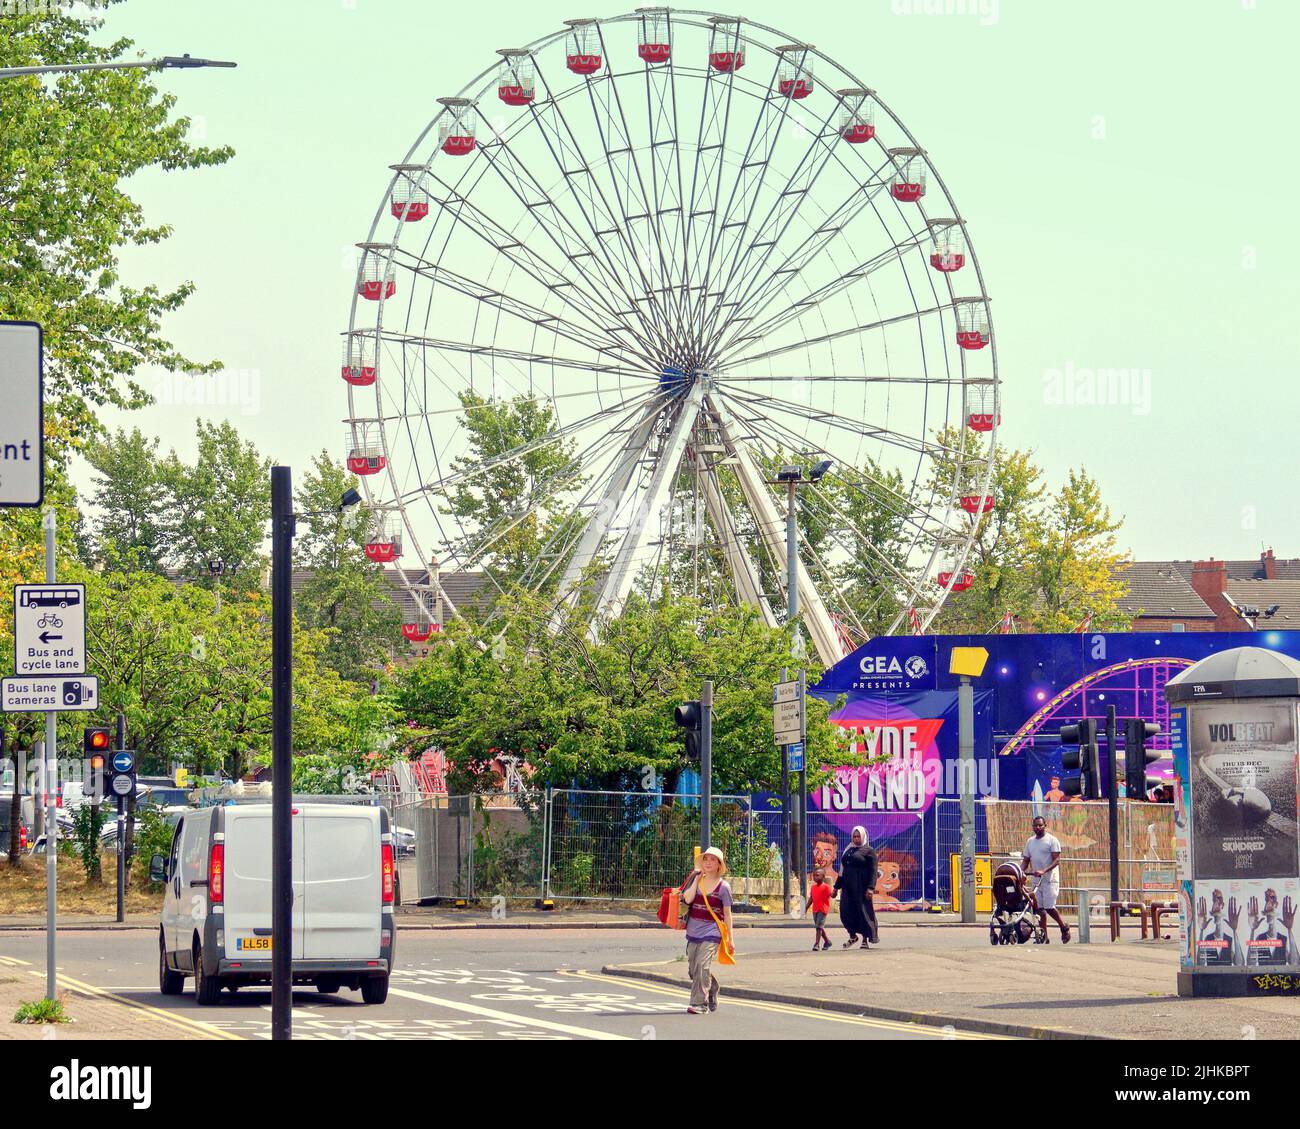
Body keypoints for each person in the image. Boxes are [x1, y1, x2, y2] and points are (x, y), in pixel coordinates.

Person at [680, 846, 735, 1014]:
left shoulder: (724, 887)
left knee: (702, 965)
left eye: (713, 859)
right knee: (693, 969)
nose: (708, 862)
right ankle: (712, 987)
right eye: (706, 859)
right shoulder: (697, 881)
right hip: (693, 930)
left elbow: (727, 914)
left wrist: (730, 939)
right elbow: (688, 899)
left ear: (719, 864)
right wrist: (696, 879)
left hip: (712, 931)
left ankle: (699, 1004)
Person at [1021, 815, 1070, 943]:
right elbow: (1026, 860)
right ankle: (1044, 937)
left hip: (1050, 879)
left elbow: (1056, 860)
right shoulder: (1030, 842)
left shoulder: (1052, 840)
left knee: (1049, 907)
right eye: (1035, 825)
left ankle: (1064, 927)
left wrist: (1044, 870)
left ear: (1045, 826)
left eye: (1040, 825)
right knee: (1039, 910)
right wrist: (1020, 872)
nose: (1037, 827)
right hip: (1037, 880)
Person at [833, 825, 879, 949]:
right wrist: (836, 887)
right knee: (846, 912)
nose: (856, 839)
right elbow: (842, 871)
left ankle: (865, 939)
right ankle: (852, 936)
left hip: (862, 888)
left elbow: (874, 871)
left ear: (863, 837)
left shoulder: (869, 851)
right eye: (854, 836)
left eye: (858, 836)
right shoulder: (849, 849)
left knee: (862, 913)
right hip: (848, 888)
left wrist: (870, 888)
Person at [806, 867, 834, 951]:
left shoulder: (826, 887)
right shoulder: (813, 887)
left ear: (823, 877)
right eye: (814, 875)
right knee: (819, 927)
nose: (815, 877)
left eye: (817, 875)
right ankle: (827, 941)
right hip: (815, 910)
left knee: (818, 927)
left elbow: (832, 895)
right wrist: (806, 907)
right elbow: (811, 898)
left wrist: (835, 892)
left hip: (823, 910)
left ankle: (816, 944)